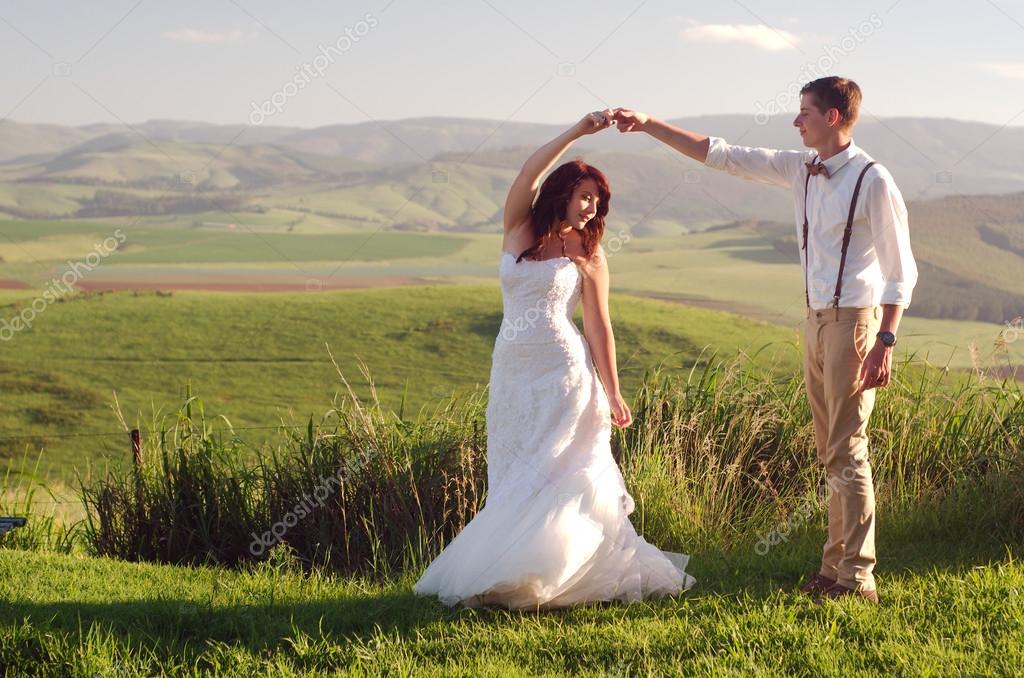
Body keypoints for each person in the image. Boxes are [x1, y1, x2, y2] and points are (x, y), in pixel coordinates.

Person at [613, 77, 918, 604]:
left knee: (848, 449)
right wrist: (647, 126)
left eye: (805, 112)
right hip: (815, 320)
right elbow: (722, 155)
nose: (796, 121)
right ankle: (833, 568)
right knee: (831, 451)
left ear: (834, 116)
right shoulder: (800, 167)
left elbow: (900, 271)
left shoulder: (874, 180)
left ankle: (858, 577)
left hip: (857, 324)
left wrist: (885, 341)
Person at [413, 110, 695, 610]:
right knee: (514, 473)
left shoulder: (589, 250)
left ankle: (557, 572)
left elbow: (598, 325)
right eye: (586, 195)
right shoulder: (518, 226)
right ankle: (510, 571)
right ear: (563, 191)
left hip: (565, 372)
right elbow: (528, 172)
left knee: (560, 472)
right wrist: (576, 133)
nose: (592, 207)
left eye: (599, 201)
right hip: (511, 372)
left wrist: (613, 391)